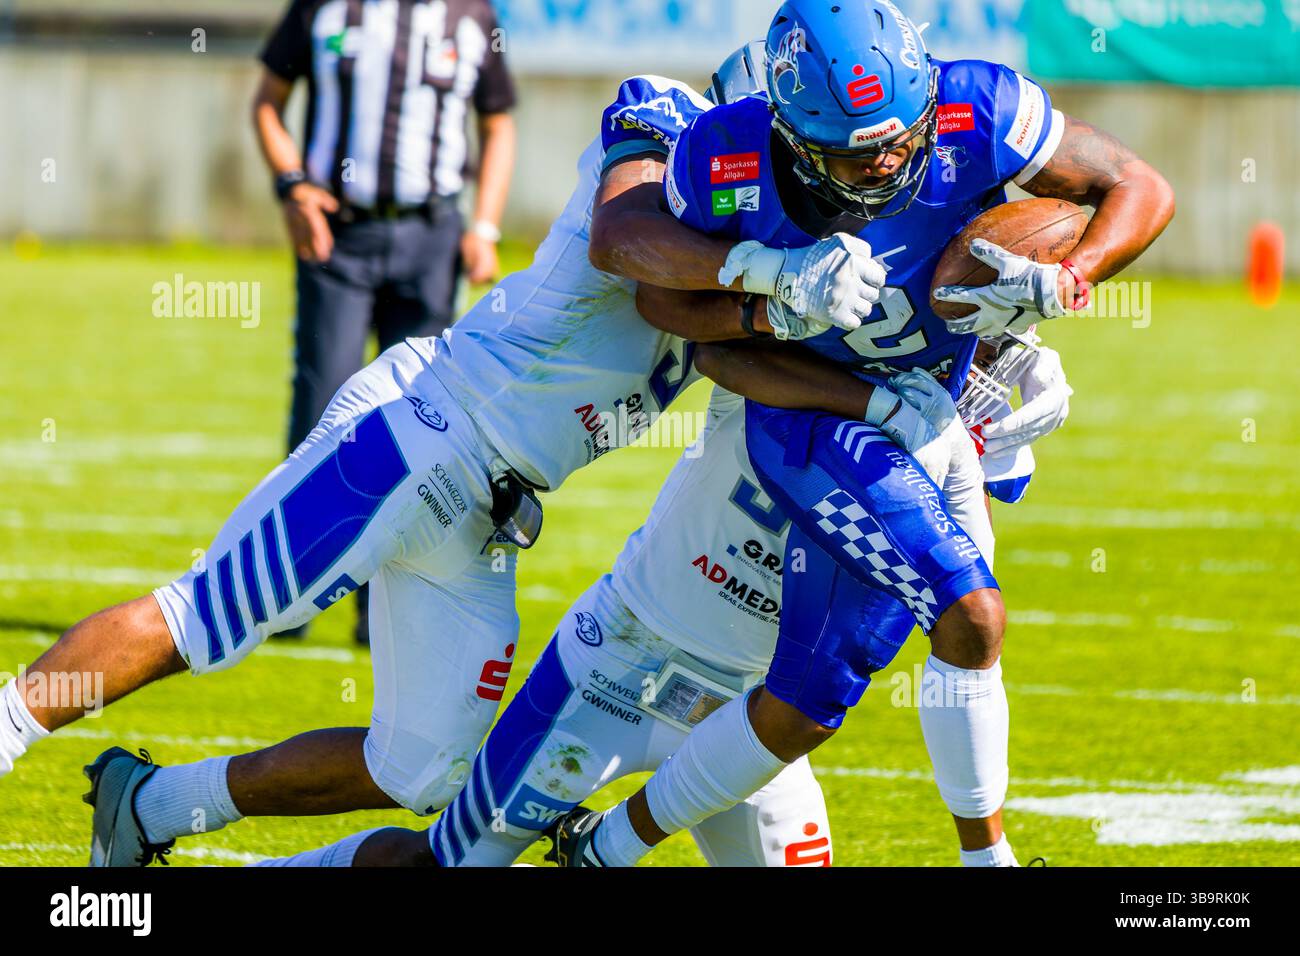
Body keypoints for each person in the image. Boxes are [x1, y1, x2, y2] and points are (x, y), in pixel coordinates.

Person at [0, 78, 894, 867]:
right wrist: (769, 270)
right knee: (205, 619)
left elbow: (807, 345)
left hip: (492, 510)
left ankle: (150, 806)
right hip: (426, 431)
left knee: (423, 768)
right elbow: (621, 238)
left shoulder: (779, 263)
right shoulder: (669, 137)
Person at [550, 0, 1173, 867]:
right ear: (793, 133)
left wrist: (1063, 283)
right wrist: (773, 298)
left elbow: (1142, 187)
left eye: (899, 135)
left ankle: (607, 846)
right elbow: (695, 335)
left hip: (938, 413)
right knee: (973, 616)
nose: (885, 159)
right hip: (813, 416)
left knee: (804, 705)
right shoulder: (731, 158)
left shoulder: (975, 107)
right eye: (854, 147)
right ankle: (988, 861)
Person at [251, 332, 1070, 868]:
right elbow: (720, 328)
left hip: (752, 722)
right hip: (617, 662)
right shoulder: (801, 351)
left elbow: (930, 650)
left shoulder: (949, 497)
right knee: (442, 865)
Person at [252, 0, 518, 643]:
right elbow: (267, 98)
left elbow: (499, 122)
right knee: (322, 410)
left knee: (418, 420)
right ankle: (288, 594)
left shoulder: (473, 15)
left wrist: (484, 224)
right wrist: (290, 185)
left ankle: (382, 613)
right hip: (337, 236)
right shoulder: (325, 6)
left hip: (431, 237)